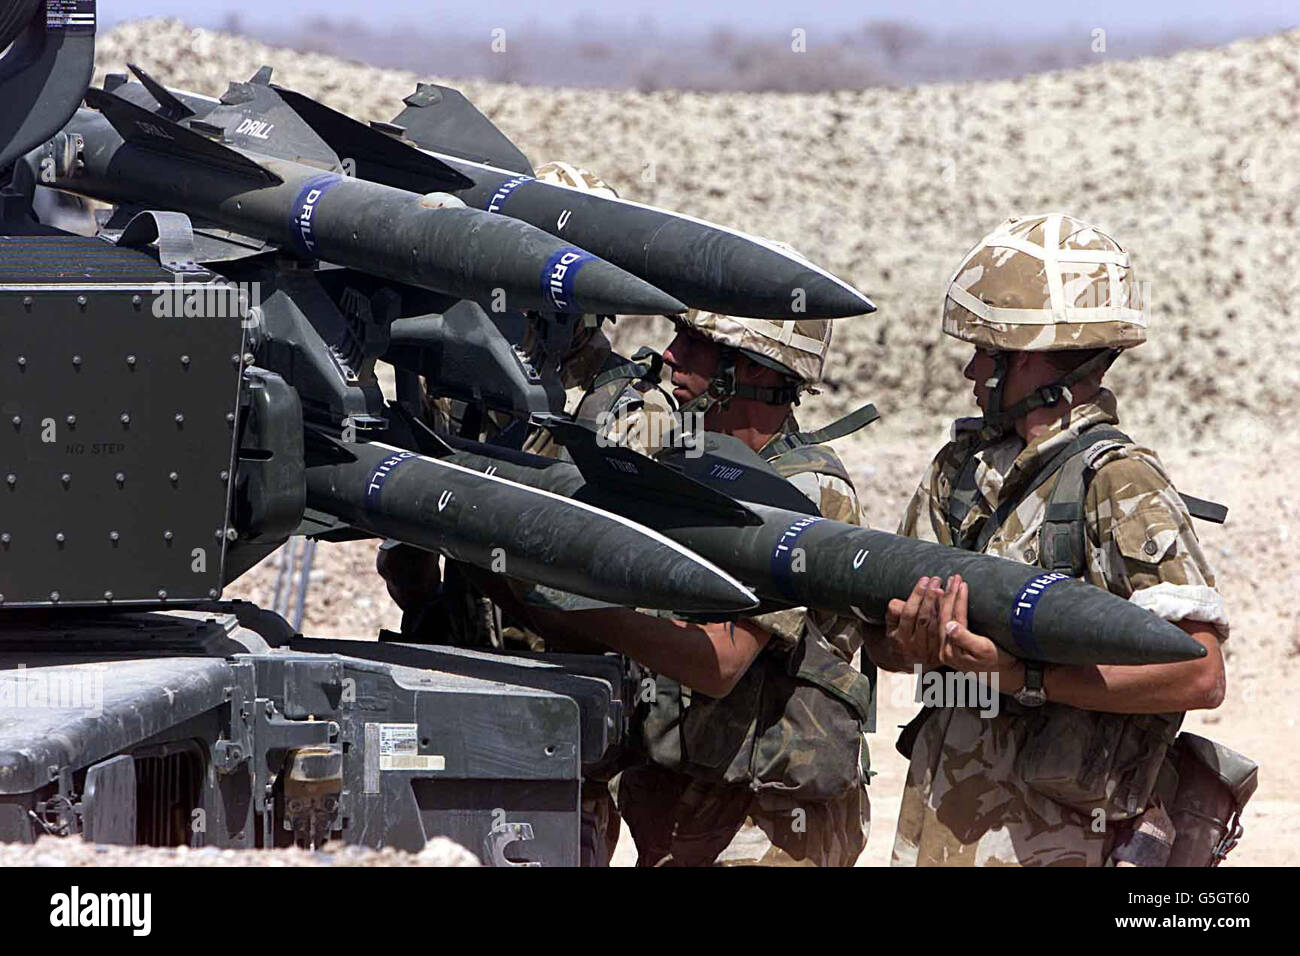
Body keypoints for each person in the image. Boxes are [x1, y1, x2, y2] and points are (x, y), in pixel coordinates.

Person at [869, 213, 1228, 867]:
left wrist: (1022, 678)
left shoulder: (1118, 480)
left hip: (1059, 839)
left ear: (1033, 358)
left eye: (989, 352)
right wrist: (909, 641)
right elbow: (894, 647)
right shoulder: (959, 473)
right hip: (942, 825)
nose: (971, 370)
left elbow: (1198, 672)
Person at [509, 306, 876, 866]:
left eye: (697, 343)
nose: (671, 355)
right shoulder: (692, 464)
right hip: (683, 803)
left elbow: (719, 662)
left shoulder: (805, 490)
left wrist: (569, 603)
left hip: (769, 821)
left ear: (753, 368)